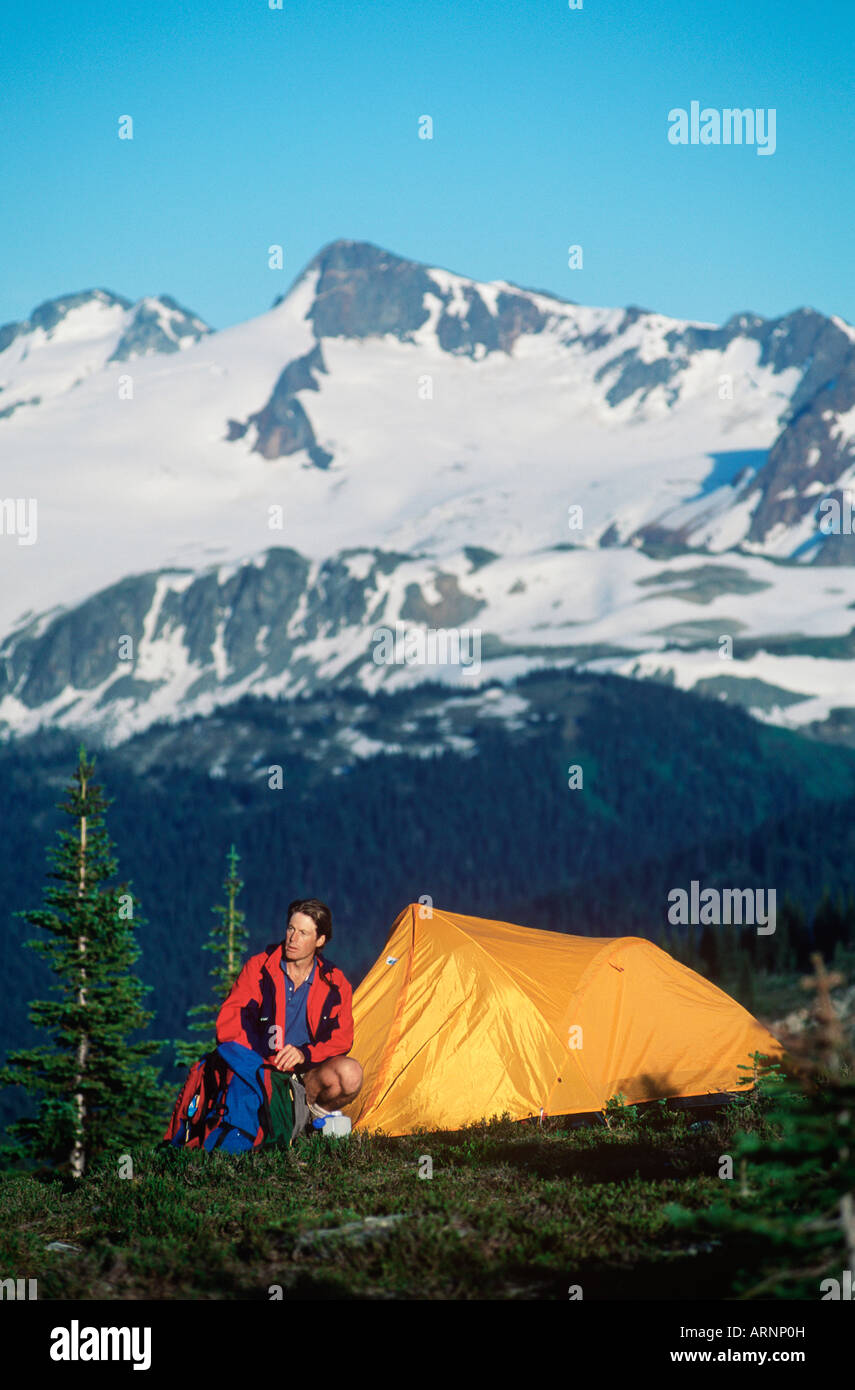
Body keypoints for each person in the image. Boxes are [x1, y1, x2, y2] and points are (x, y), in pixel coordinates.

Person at [215, 897, 363, 1144]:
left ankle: (313, 1117)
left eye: (303, 933)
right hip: (261, 1073)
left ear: (320, 940)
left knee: (350, 1074)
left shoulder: (334, 982)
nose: (293, 939)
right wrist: (263, 1060)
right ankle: (283, 1122)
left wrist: (305, 1053)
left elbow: (342, 1038)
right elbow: (228, 1024)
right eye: (290, 929)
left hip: (307, 1075)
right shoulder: (260, 968)